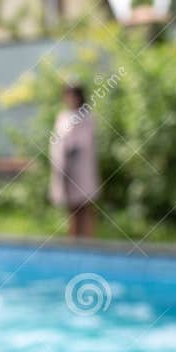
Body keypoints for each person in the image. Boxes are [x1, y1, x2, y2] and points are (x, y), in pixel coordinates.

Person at [49, 84, 99, 238]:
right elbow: (56, 141)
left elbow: (85, 141)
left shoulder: (86, 116)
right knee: (71, 209)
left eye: (73, 95)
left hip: (81, 169)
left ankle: (88, 241)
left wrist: (72, 149)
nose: (70, 99)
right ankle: (73, 242)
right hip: (65, 169)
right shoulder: (63, 116)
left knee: (84, 206)